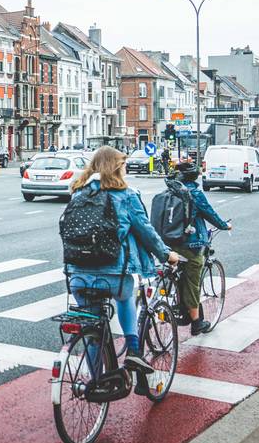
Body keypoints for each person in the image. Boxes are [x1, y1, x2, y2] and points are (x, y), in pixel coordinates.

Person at [65, 147, 181, 372]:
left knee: (91, 327)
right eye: (124, 164)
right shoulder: (127, 195)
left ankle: (96, 380)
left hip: (78, 274)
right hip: (113, 274)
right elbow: (146, 231)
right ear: (117, 168)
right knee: (125, 296)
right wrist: (167, 255)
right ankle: (134, 350)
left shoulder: (78, 193)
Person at [171, 161, 233, 334]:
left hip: (169, 242)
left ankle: (179, 306)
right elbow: (209, 213)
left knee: (177, 273)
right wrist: (224, 225)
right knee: (193, 281)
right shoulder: (194, 193)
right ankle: (196, 322)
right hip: (190, 243)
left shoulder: (170, 190)